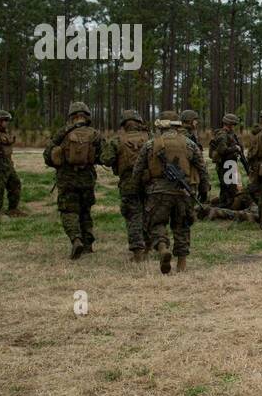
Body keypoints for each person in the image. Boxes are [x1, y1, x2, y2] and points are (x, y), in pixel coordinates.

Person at [133, 110, 210, 274]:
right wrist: (204, 190)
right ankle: (181, 263)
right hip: (183, 192)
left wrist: (138, 191)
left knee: (156, 224)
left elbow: (137, 171)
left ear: (161, 125)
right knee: (182, 226)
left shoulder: (150, 144)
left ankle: (162, 248)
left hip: (157, 191)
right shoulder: (189, 144)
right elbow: (202, 169)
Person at [44, 101, 103, 259]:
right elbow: (103, 156)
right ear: (87, 116)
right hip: (87, 179)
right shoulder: (94, 133)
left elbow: (47, 155)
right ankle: (88, 244)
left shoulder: (62, 133)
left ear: (71, 116)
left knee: (69, 211)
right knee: (85, 211)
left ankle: (76, 239)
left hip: (67, 179)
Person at [100, 109, 151, 261]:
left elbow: (106, 159)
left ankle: (138, 252)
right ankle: (149, 245)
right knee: (148, 213)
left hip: (128, 182)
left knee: (133, 215)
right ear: (139, 122)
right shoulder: (149, 137)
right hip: (148, 181)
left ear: (123, 124)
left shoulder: (117, 140)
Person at [208, 113, 245, 206]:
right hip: (224, 164)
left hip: (229, 163)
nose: (234, 126)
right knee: (227, 186)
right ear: (228, 124)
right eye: (233, 124)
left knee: (230, 185)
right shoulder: (222, 135)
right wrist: (235, 148)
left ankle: (226, 202)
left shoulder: (230, 134)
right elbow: (222, 150)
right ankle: (225, 204)